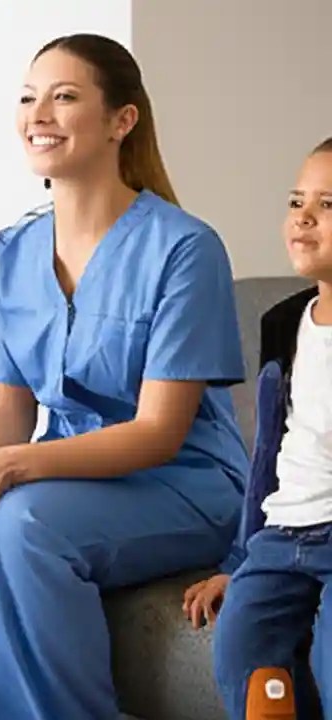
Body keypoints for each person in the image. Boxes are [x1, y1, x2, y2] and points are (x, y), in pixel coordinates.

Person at [0, 33, 250, 720]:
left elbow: (158, 434)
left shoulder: (184, 249)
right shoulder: (11, 251)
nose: (37, 113)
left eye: (65, 96)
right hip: (64, 478)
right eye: (28, 97)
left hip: (184, 486)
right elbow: (4, 414)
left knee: (26, 524)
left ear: (121, 121)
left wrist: (11, 468)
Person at [180, 138, 332, 720]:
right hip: (281, 538)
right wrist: (238, 563)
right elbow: (267, 452)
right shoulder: (283, 323)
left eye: (328, 204)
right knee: (245, 651)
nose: (304, 217)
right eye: (297, 202)